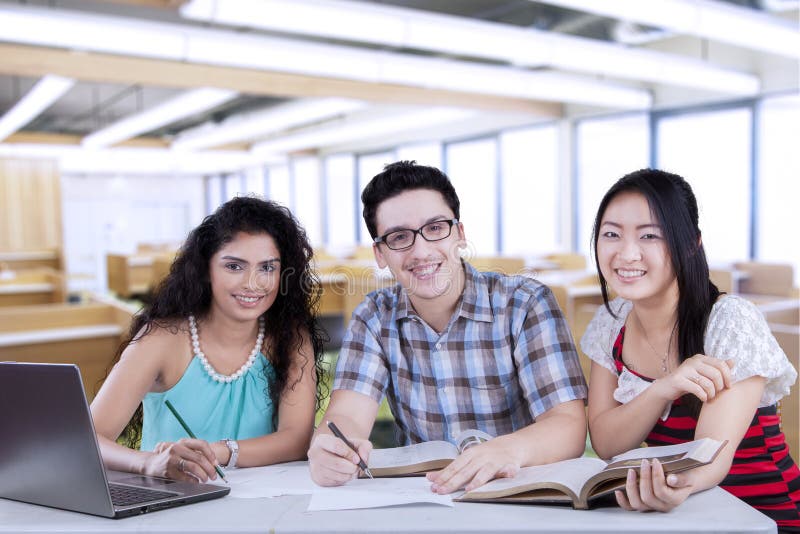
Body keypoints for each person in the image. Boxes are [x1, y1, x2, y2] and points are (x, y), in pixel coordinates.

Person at [308, 161, 588, 494]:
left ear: (460, 234)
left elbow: (569, 426)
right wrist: (330, 448)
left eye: (436, 228)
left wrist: (504, 450)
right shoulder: (374, 316)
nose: (422, 250)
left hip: (521, 492)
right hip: (427, 498)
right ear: (380, 254)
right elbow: (347, 417)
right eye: (399, 237)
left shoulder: (525, 303)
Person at [581, 168, 799, 530]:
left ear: (689, 244)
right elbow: (606, 442)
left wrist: (673, 487)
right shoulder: (611, 322)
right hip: (682, 519)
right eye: (611, 234)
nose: (627, 253)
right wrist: (664, 388)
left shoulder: (729, 322)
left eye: (650, 235)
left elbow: (710, 460)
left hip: (766, 516)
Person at [91, 196, 326, 483]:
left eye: (267, 268)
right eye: (234, 267)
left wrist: (218, 452)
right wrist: (149, 463)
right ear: (206, 269)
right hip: (172, 505)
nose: (253, 283)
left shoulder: (291, 337)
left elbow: (297, 440)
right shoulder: (162, 339)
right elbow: (89, 439)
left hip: (264, 505)